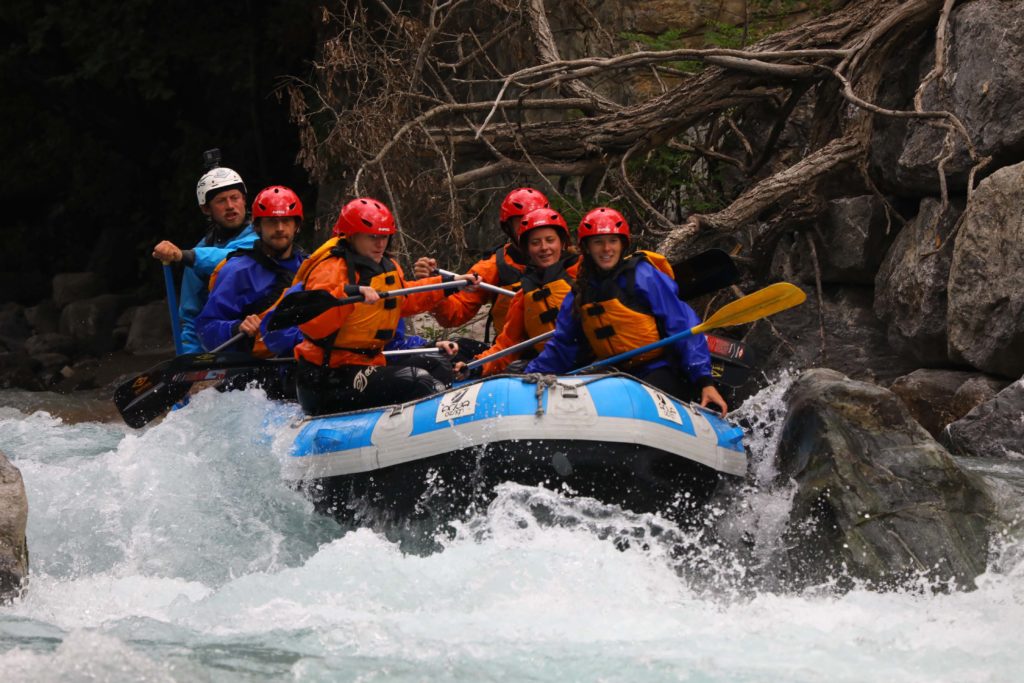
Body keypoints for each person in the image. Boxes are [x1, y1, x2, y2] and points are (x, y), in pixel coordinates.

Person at [523, 207, 729, 416]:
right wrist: (529, 375)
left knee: (633, 404)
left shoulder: (643, 276)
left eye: (613, 241)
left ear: (622, 244)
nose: (606, 249)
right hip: (616, 376)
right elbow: (563, 346)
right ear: (586, 247)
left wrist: (704, 380)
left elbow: (682, 325)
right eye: (598, 242)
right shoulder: (580, 292)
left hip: (659, 368)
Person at [291, 197, 479, 416]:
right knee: (419, 381)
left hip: (369, 363)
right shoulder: (330, 270)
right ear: (351, 236)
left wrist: (450, 285)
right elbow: (312, 324)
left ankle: (434, 430)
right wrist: (350, 296)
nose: (380, 244)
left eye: (384, 237)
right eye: (372, 237)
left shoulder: (387, 266)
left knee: (440, 365)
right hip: (327, 378)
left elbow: (405, 300)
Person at [412, 187, 550, 352]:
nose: (530, 229)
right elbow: (454, 314)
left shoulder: (571, 262)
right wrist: (432, 285)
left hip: (563, 348)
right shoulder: (491, 268)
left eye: (537, 222)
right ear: (509, 228)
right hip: (515, 352)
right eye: (523, 224)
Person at [455, 207, 580, 377]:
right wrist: (476, 365)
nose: (544, 248)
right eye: (535, 243)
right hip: (550, 366)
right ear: (527, 249)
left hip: (589, 363)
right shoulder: (525, 294)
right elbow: (507, 345)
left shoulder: (583, 274)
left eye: (550, 240)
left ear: (562, 242)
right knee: (515, 367)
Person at [152, 165, 258, 353]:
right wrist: (189, 362)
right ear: (206, 209)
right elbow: (191, 315)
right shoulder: (199, 252)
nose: (230, 206)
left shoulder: (262, 237)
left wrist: (184, 255)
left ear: (244, 200)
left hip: (261, 341)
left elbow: (235, 260)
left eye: (235, 197)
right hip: (225, 344)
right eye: (221, 201)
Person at [195, 185, 307, 357]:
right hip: (257, 367)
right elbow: (206, 328)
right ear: (257, 227)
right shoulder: (237, 271)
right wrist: (236, 327)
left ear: (296, 226)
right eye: (271, 221)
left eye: (286, 221)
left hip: (302, 361)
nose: (280, 228)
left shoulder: (310, 266)